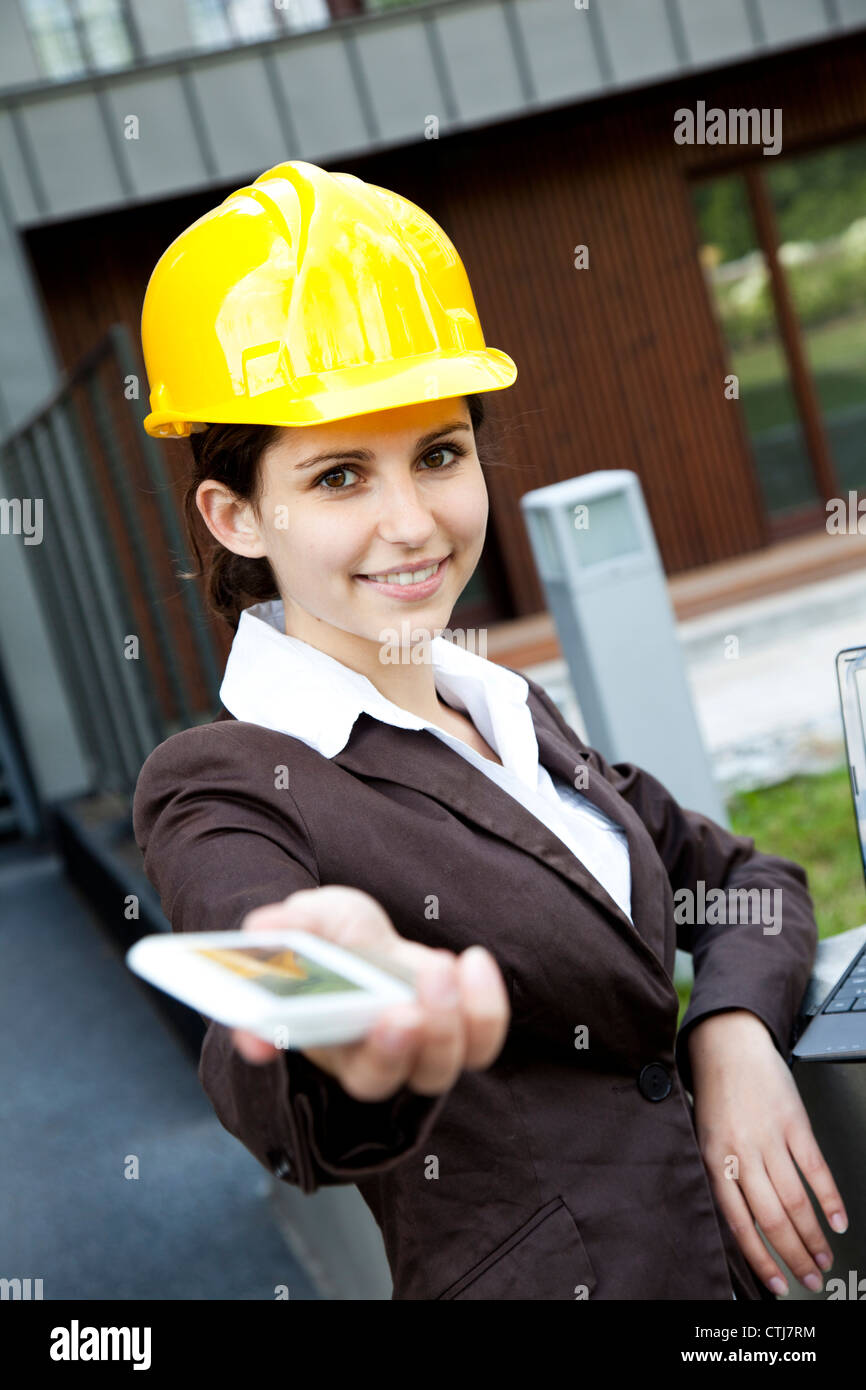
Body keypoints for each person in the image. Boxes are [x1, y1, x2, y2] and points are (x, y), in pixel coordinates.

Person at [132, 160, 847, 1301]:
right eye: (337, 476)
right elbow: (262, 1036)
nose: (410, 522)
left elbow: (746, 876)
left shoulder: (501, 705)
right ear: (235, 514)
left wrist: (727, 1032)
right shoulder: (223, 784)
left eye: (437, 453)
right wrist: (333, 1018)